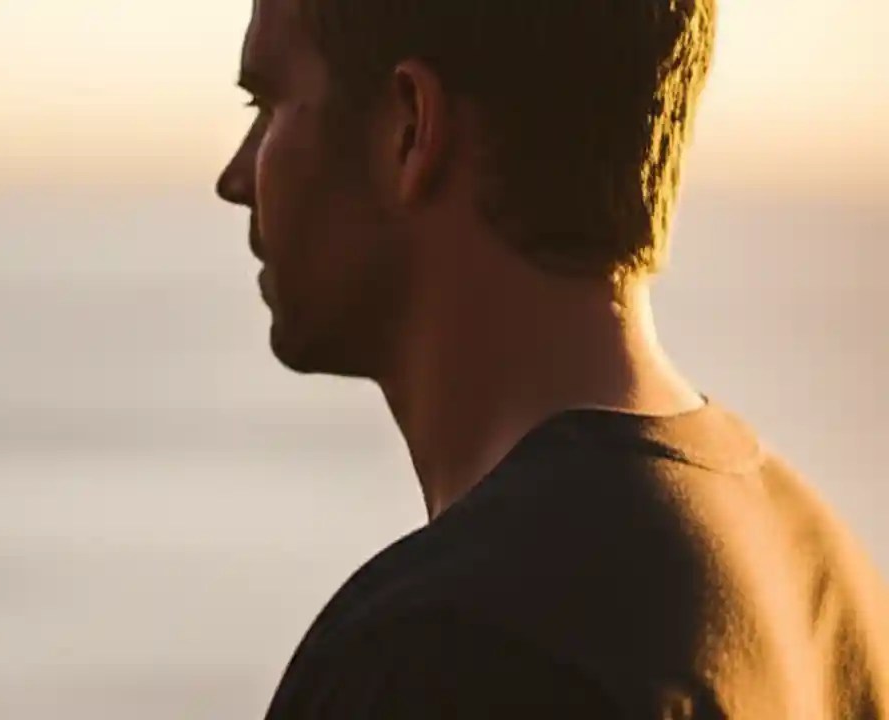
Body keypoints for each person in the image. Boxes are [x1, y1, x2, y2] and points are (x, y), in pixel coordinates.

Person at [214, 0, 889, 717]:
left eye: (268, 104)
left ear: (410, 128)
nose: (235, 175)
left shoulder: (445, 651)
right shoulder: (828, 588)